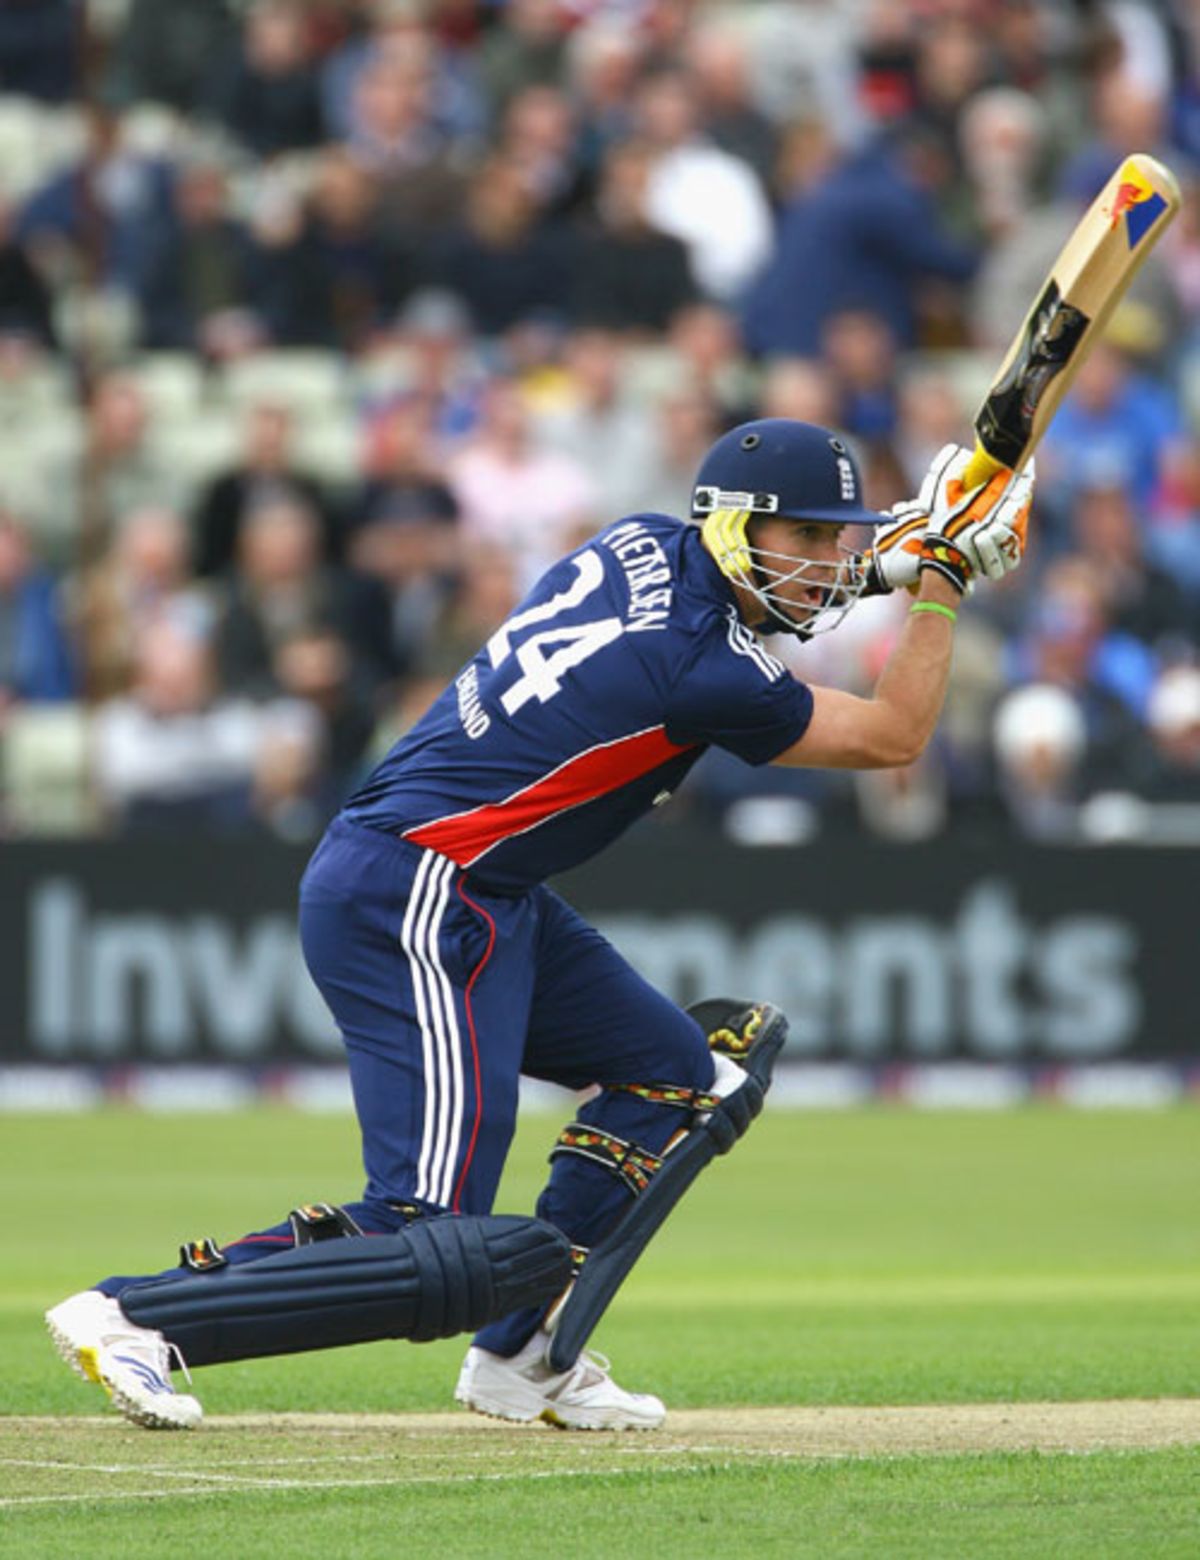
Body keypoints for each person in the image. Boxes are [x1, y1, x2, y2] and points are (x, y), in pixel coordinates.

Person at [46, 419, 1032, 1431]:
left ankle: (524, 1350)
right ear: (739, 529)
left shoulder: (639, 539)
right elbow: (893, 735)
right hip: (419, 892)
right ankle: (138, 1313)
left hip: (484, 887)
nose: (829, 562)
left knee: (679, 1076)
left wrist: (891, 561)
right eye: (813, 538)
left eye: (838, 540)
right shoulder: (702, 670)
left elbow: (756, 597)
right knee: (425, 1230)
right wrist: (940, 582)